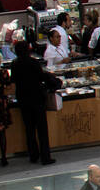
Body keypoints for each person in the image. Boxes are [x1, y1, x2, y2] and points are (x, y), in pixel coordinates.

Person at [10, 37, 62, 165]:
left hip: (23, 99)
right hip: (37, 98)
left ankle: (33, 155)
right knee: (42, 129)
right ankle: (45, 157)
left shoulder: (14, 64)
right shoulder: (33, 62)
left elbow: (13, 81)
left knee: (29, 129)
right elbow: (42, 76)